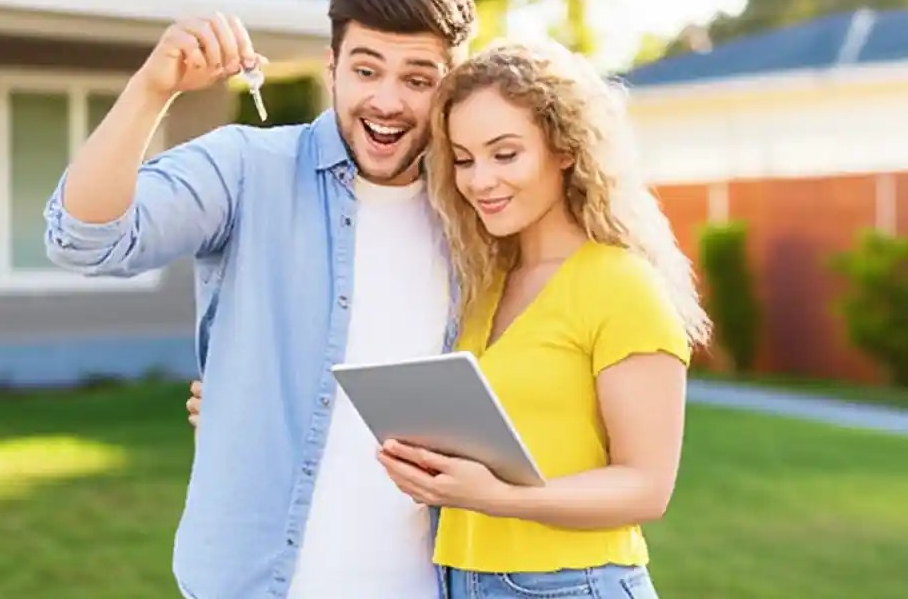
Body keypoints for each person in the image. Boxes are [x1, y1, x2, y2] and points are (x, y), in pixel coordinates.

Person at [190, 40, 712, 598]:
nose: (480, 180)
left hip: (573, 584)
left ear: (565, 149)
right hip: (461, 583)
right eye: (463, 159)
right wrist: (248, 409)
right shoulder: (482, 284)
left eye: (505, 154)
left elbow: (646, 487)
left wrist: (498, 499)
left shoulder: (622, 285)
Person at [44, 0, 477, 599]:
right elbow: (85, 240)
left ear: (452, 87)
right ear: (331, 70)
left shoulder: (477, 210)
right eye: (365, 70)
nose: (387, 101)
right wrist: (153, 88)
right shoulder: (247, 168)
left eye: (418, 79)